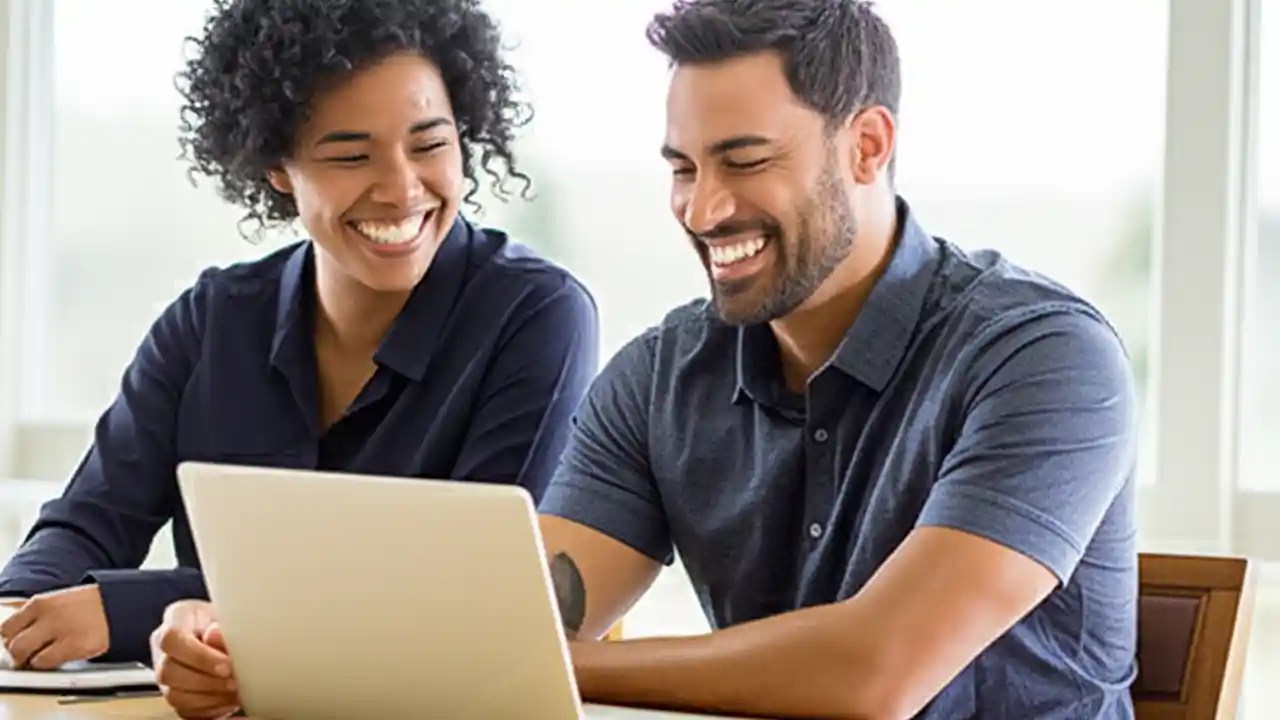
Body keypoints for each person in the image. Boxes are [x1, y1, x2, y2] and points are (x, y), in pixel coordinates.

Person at [153, 0, 1139, 718]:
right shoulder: (661, 377)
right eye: (681, 167)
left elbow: (873, 673)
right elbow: (496, 612)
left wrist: (552, 666)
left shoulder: (1044, 357)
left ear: (867, 145)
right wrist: (250, 646)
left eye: (743, 161)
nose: (704, 210)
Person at [0, 0, 598, 677]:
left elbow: (466, 590)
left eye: (431, 145)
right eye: (350, 155)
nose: (402, 190)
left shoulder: (536, 315)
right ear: (277, 170)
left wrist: (129, 610)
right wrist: (24, 607)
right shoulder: (210, 321)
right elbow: (89, 520)